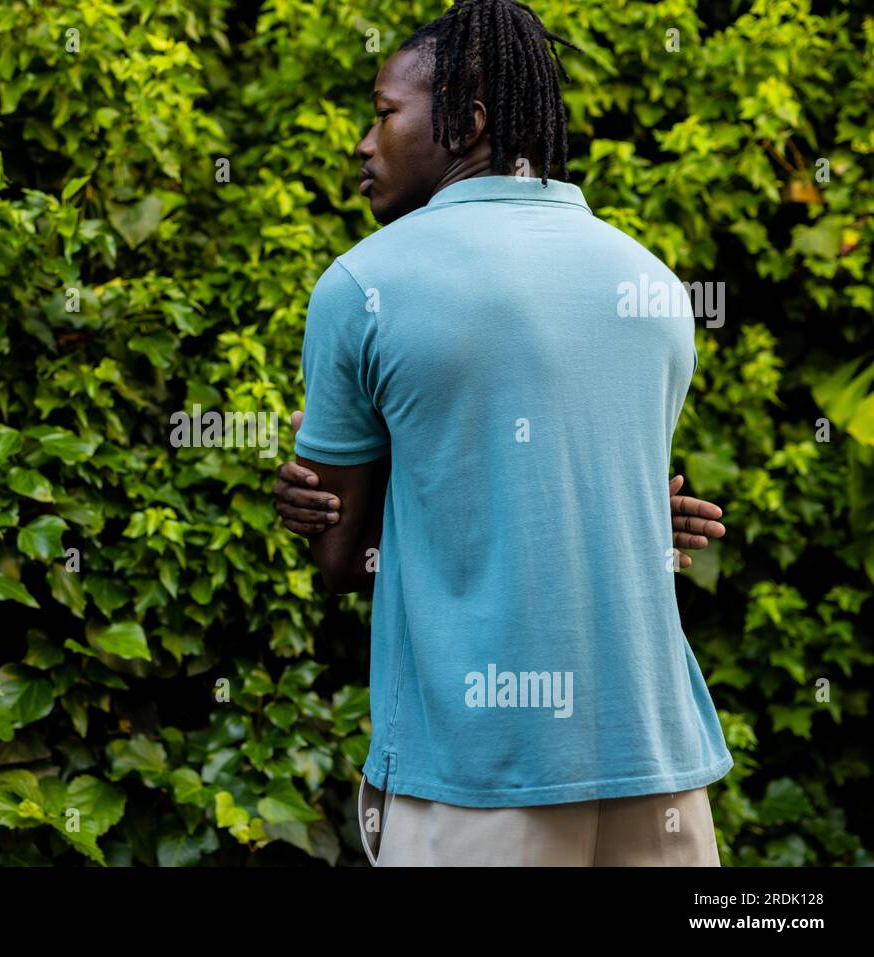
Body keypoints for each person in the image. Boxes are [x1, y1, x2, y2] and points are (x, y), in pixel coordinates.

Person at [271, 0, 733, 866]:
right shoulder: (654, 284)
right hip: (659, 770)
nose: (363, 144)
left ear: (465, 121)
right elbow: (569, 498)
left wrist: (320, 499)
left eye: (383, 113)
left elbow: (342, 564)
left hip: (477, 777)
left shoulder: (362, 285)